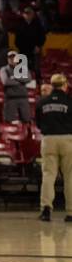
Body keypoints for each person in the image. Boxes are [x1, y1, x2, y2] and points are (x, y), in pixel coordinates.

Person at [37, 73, 72, 222]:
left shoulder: (42, 102)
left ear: (52, 85)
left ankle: (46, 210)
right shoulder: (70, 102)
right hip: (67, 139)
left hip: (48, 139)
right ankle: (71, 212)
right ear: (65, 85)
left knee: (48, 175)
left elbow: (38, 122)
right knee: (70, 176)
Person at [1, 50, 34, 123]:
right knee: (9, 121)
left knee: (26, 120)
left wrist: (14, 77)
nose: (12, 59)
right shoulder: (4, 69)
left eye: (14, 57)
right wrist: (21, 81)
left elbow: (28, 78)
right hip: (10, 99)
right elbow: (6, 81)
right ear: (7, 59)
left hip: (23, 98)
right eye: (10, 58)